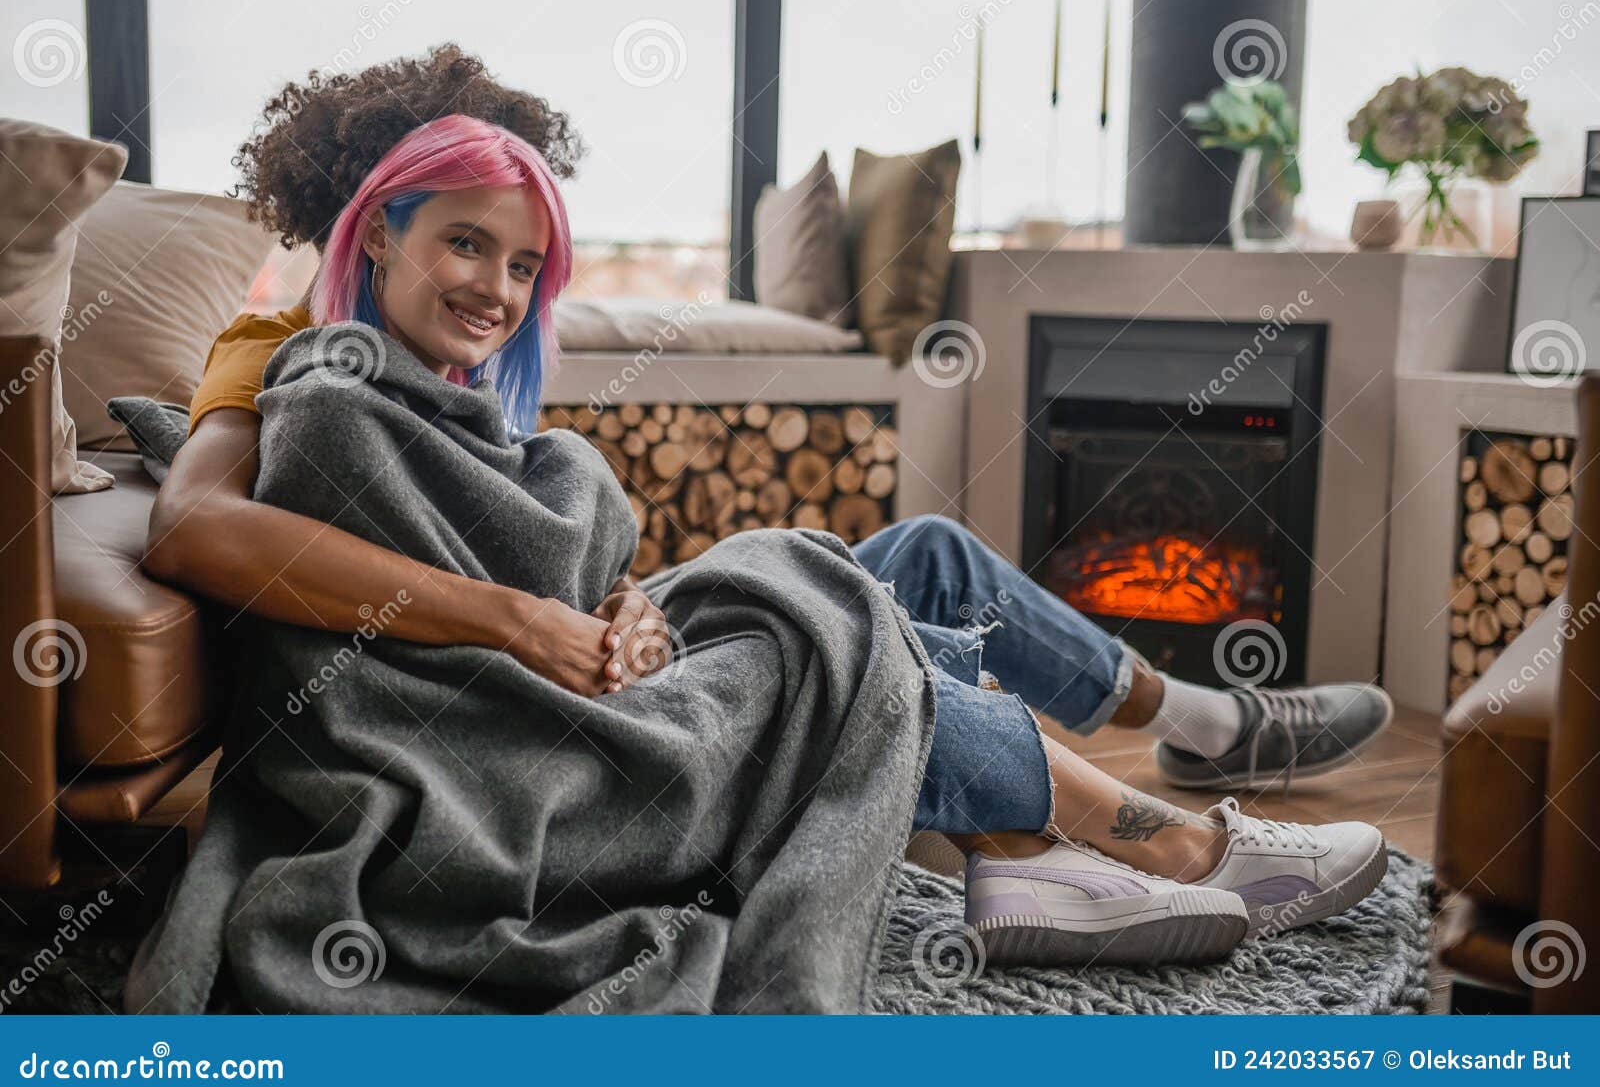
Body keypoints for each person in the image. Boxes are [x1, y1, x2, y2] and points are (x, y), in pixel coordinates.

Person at [146, 52, 1390, 965]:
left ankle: (1191, 725)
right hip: (506, 714)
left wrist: (620, 600)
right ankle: (1110, 838)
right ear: (374, 214)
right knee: (823, 625)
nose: (494, 284)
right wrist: (529, 618)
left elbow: (537, 539)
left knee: (924, 562)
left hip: (585, 655)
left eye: (522, 257)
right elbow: (203, 527)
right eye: (460, 234)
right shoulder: (290, 355)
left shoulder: (458, 377)